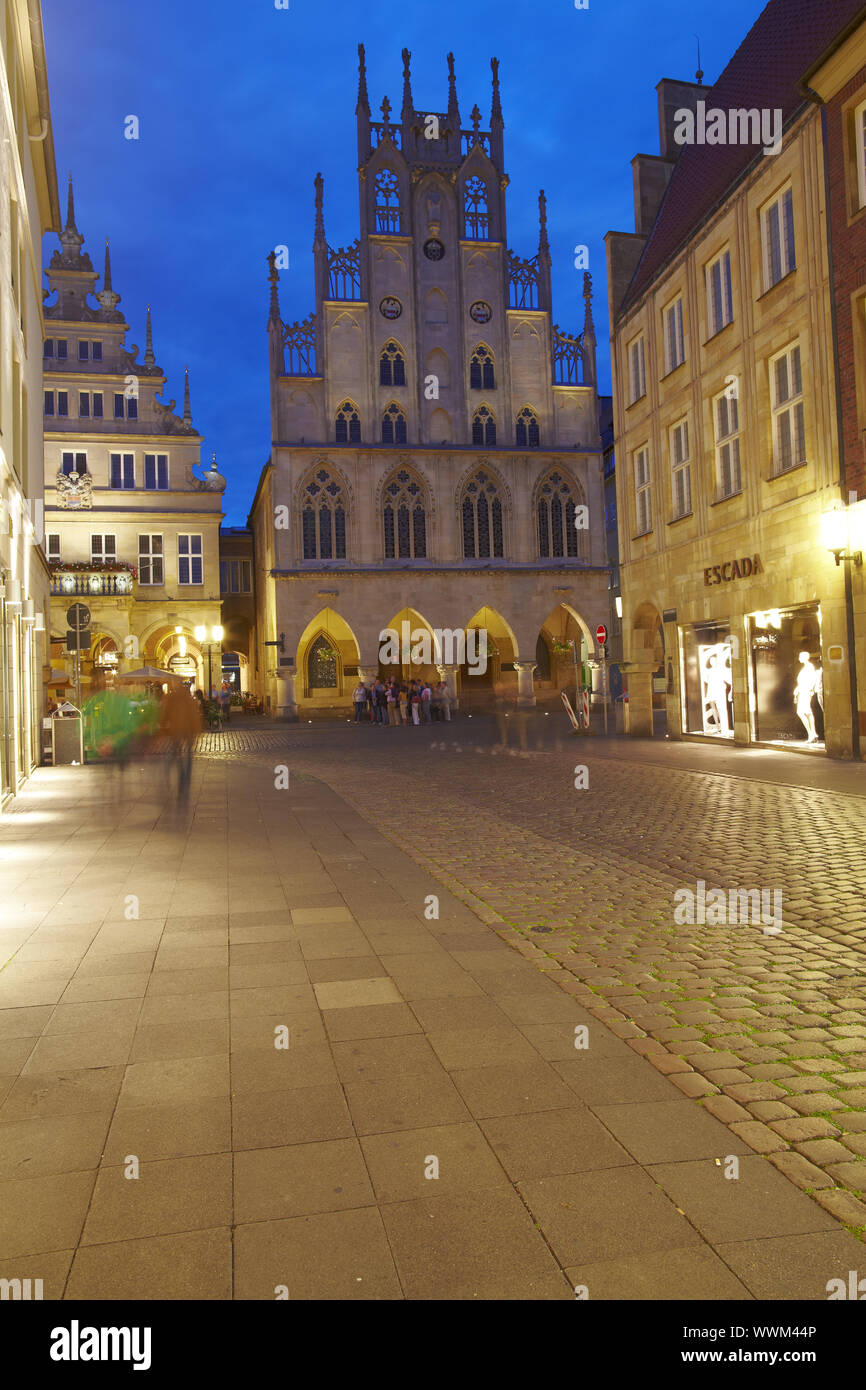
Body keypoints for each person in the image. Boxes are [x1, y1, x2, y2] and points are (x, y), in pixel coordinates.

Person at [160, 682, 202, 799]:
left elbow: (165, 713)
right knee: (188, 757)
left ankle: (177, 773)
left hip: (177, 731)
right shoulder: (189, 700)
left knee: (176, 753)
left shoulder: (172, 699)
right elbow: (195, 716)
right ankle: (185, 779)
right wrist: (196, 730)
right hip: (188, 732)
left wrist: (162, 724)